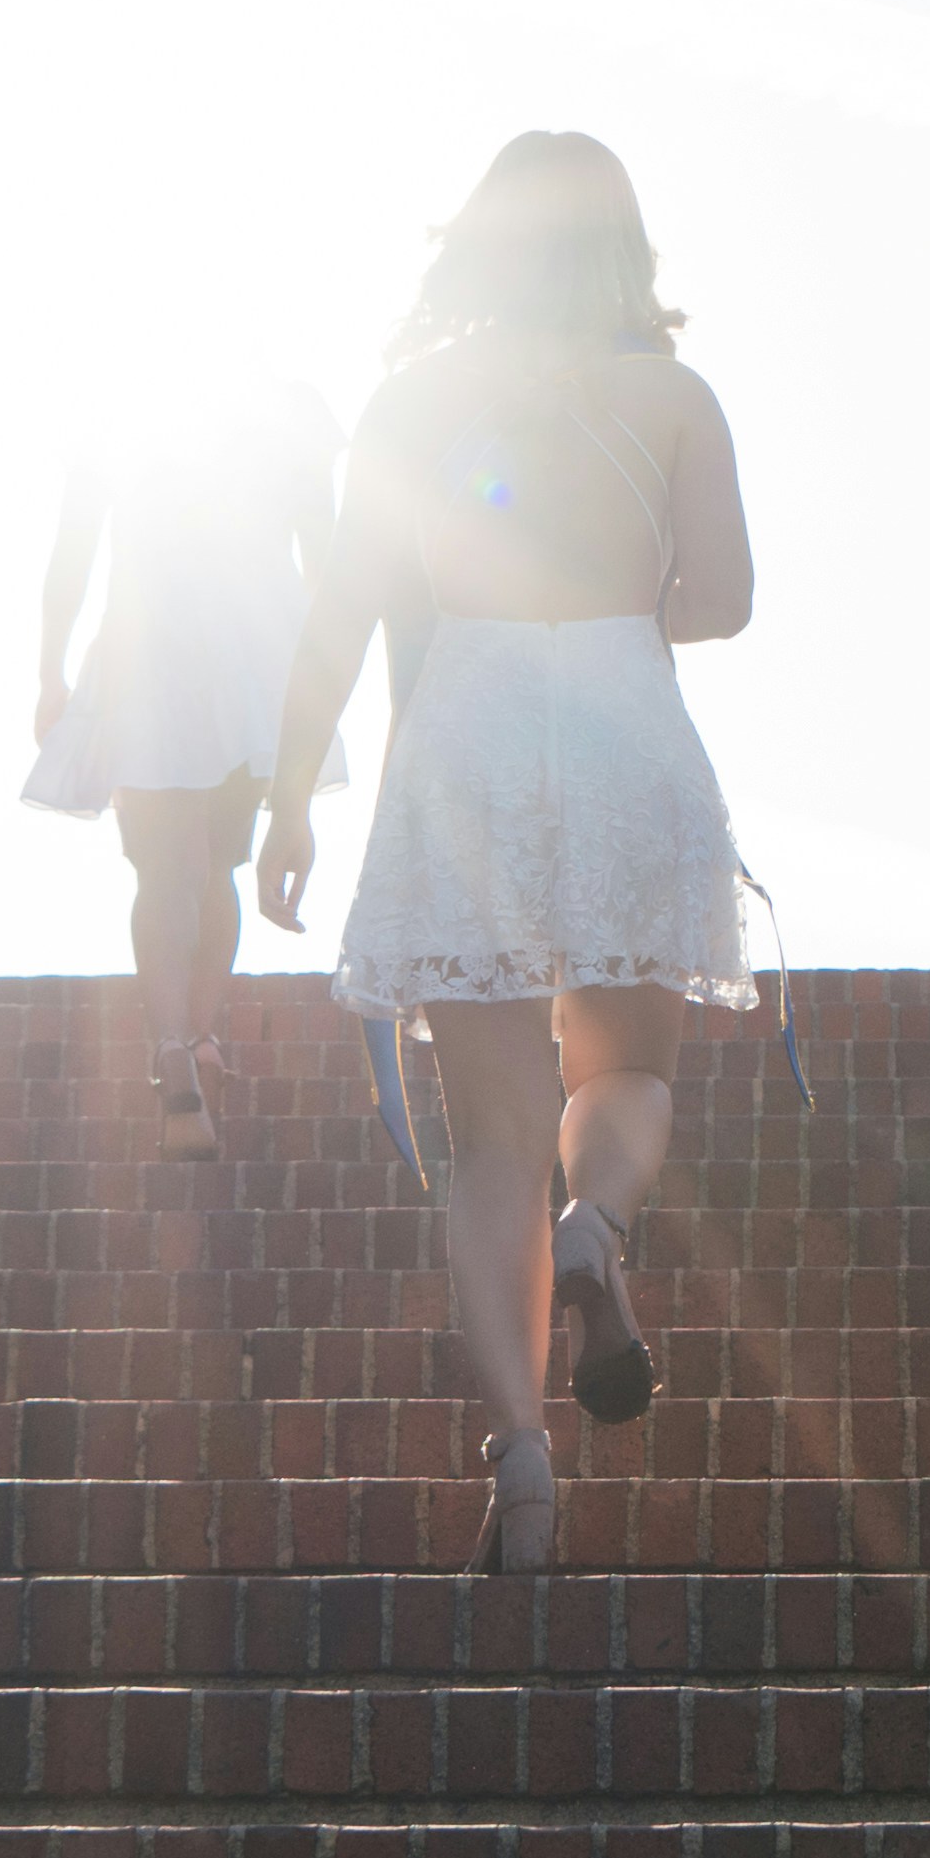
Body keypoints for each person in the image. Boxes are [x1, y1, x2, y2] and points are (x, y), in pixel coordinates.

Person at [257, 133, 758, 1579]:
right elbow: (721, 601)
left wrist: (292, 801)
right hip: (620, 714)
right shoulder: (674, 397)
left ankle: (523, 1461)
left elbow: (340, 615)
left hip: (465, 723)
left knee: (486, 1138)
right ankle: (596, 1224)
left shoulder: (413, 403)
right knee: (624, 1071)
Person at [22, 380, 332, 1154]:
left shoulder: (118, 394)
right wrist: (325, 675)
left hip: (146, 640)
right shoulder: (286, 398)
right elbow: (328, 557)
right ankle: (199, 1037)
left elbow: (74, 548)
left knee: (165, 868)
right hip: (255, 650)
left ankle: (170, 1049)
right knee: (220, 862)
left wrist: (51, 673)